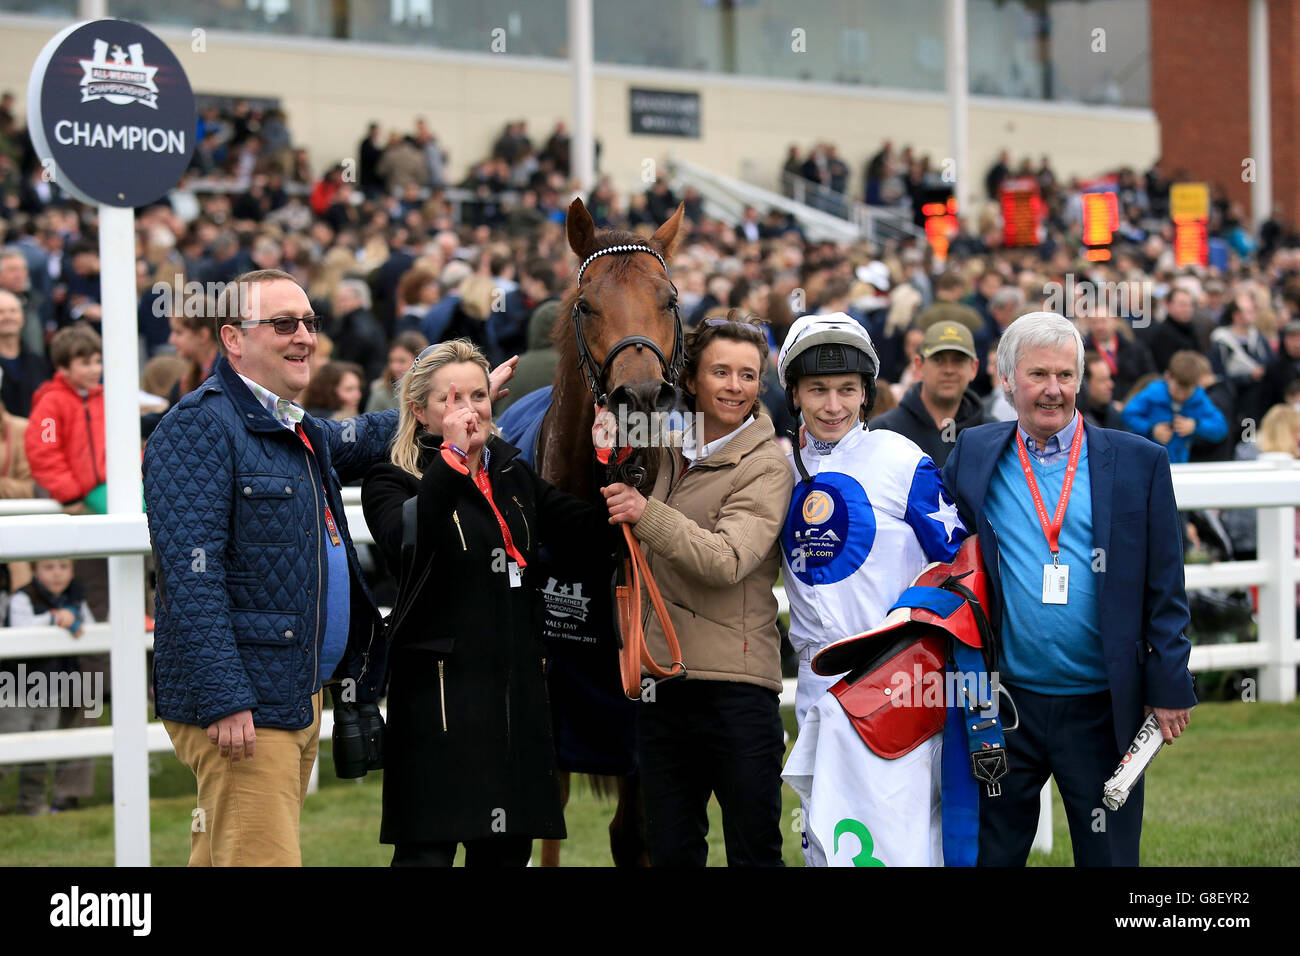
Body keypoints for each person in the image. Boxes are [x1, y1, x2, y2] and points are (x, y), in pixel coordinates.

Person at [142, 269, 405, 867]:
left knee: (225, 853)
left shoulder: (289, 423)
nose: (304, 336)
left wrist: (446, 399)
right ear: (233, 339)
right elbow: (189, 576)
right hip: (247, 704)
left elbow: (361, 436)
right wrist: (226, 697)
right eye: (283, 324)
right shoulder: (198, 427)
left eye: (310, 323)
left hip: (289, 692)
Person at [941, 311, 1196, 866]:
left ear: (1080, 378)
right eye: (1037, 375)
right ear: (1007, 381)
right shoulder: (974, 453)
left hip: (1103, 708)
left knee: (1109, 858)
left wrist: (1170, 682)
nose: (1053, 390)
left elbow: (1166, 586)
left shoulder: (1138, 462)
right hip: (1004, 706)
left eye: (1064, 374)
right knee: (992, 854)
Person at [360, 339, 606, 867]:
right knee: (424, 857)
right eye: (451, 398)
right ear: (419, 410)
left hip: (515, 695)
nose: (468, 409)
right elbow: (409, 541)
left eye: (478, 395)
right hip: (440, 702)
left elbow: (586, 531)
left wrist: (616, 472)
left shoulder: (512, 475)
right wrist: (451, 458)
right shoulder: (392, 478)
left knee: (505, 856)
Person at [597, 314, 795, 867]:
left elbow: (728, 560)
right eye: (721, 372)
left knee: (753, 852)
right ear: (689, 381)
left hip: (737, 687)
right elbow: (600, 423)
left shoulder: (768, 466)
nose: (736, 386)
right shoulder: (662, 442)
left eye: (749, 375)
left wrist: (646, 512)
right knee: (670, 852)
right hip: (662, 682)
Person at [774, 313, 968, 726]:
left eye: (847, 390)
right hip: (816, 680)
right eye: (817, 390)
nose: (832, 406)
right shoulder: (779, 471)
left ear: (866, 394)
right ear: (794, 395)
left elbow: (959, 567)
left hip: (897, 675)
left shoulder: (903, 459)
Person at [1, 557, 96, 814]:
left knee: (42, 750)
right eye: (49, 567)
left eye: (64, 567)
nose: (57, 574)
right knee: (8, 748)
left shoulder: (75, 599)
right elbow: (22, 630)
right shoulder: (23, 597)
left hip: (53, 688)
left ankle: (33, 804)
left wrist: (73, 616)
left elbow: (91, 628)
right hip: (17, 688)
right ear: (34, 570)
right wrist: (55, 620)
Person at [870, 319, 986, 467]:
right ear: (918, 366)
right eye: (938, 360)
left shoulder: (989, 432)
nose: (948, 370)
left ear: (974, 368)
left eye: (958, 361)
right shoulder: (886, 430)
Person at [24, 325, 105, 512]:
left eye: (98, 361)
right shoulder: (49, 404)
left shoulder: (104, 398)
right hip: (78, 497)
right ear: (63, 368)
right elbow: (44, 452)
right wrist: (69, 494)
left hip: (110, 487)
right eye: (86, 363)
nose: (96, 369)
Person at [1122, 350, 1228, 464]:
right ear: (1168, 376)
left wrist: (1195, 425)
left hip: (1180, 464)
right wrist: (1151, 429)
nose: (1182, 396)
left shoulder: (1199, 399)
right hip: (1147, 462)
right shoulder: (1153, 393)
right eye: (1178, 389)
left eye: (1187, 391)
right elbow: (1128, 414)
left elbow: (1220, 427)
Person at [0, 288, 51, 420]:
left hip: (36, 436)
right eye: (1, 312)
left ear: (22, 318)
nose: (8, 317)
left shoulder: (38, 362)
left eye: (13, 311)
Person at [364, 330, 428, 413]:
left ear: (420, 361)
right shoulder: (381, 392)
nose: (394, 367)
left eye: (402, 361)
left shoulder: (431, 389)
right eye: (391, 361)